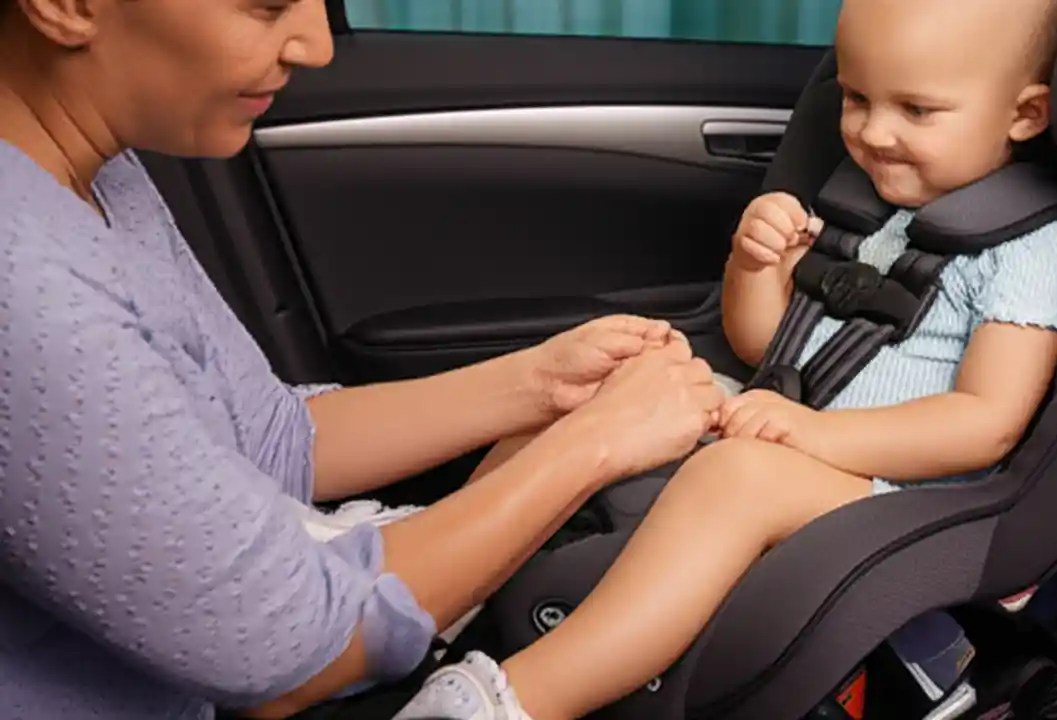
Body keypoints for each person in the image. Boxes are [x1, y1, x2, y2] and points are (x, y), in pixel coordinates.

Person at [0, 2, 725, 719]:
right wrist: (592, 447)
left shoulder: (94, 171)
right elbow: (286, 656)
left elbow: (270, 437)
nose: (316, 45)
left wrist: (539, 384)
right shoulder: (22, 283)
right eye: (268, 6)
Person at [402, 0, 1057, 718]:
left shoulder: (1037, 246)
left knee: (741, 475)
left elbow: (988, 424)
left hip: (909, 498)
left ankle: (515, 703)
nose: (872, 132)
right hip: (798, 432)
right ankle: (429, 588)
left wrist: (815, 436)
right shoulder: (876, 209)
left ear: (1026, 114)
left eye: (917, 110)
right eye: (857, 98)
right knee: (609, 387)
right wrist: (755, 266)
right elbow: (767, 347)